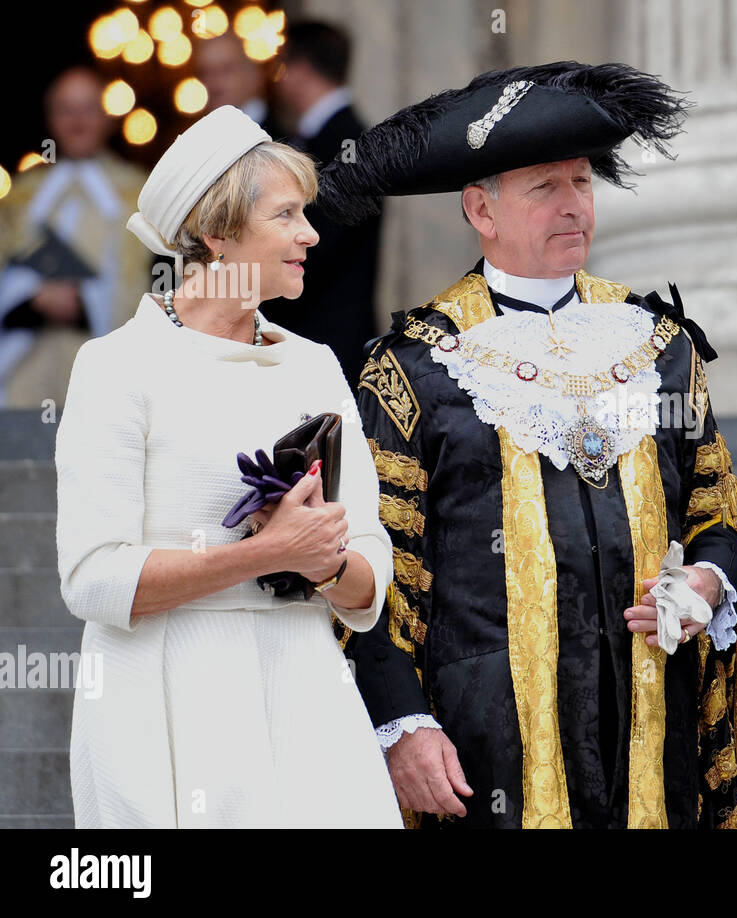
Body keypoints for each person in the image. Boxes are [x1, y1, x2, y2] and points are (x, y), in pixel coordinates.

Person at [317, 62, 737, 828]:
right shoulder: (413, 367)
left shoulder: (662, 346)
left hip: (651, 730)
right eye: (544, 188)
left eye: (582, 183)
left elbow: (718, 519)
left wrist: (706, 581)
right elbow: (376, 575)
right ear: (480, 210)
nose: (573, 207)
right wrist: (402, 725)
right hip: (486, 736)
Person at [54, 105, 401, 828]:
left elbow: (369, 567)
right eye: (287, 216)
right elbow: (92, 577)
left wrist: (321, 566)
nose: (311, 234)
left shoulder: (315, 366)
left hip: (306, 691)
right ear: (218, 233)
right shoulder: (117, 367)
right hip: (161, 695)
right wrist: (266, 553)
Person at [0, 66, 152, 408]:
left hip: (101, 369)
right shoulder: (23, 196)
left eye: (87, 109)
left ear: (106, 117)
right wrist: (33, 298)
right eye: (66, 110)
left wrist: (85, 303)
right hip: (25, 367)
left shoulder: (137, 192)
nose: (77, 121)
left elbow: (148, 283)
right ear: (50, 119)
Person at [264, 20, 381, 388]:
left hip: (326, 342)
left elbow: (316, 247)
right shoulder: (335, 139)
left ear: (298, 71)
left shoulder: (342, 146)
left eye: (282, 68)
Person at [194, 31, 286, 139]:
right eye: (205, 73)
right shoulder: (202, 139)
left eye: (225, 70)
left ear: (253, 74)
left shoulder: (286, 135)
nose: (214, 82)